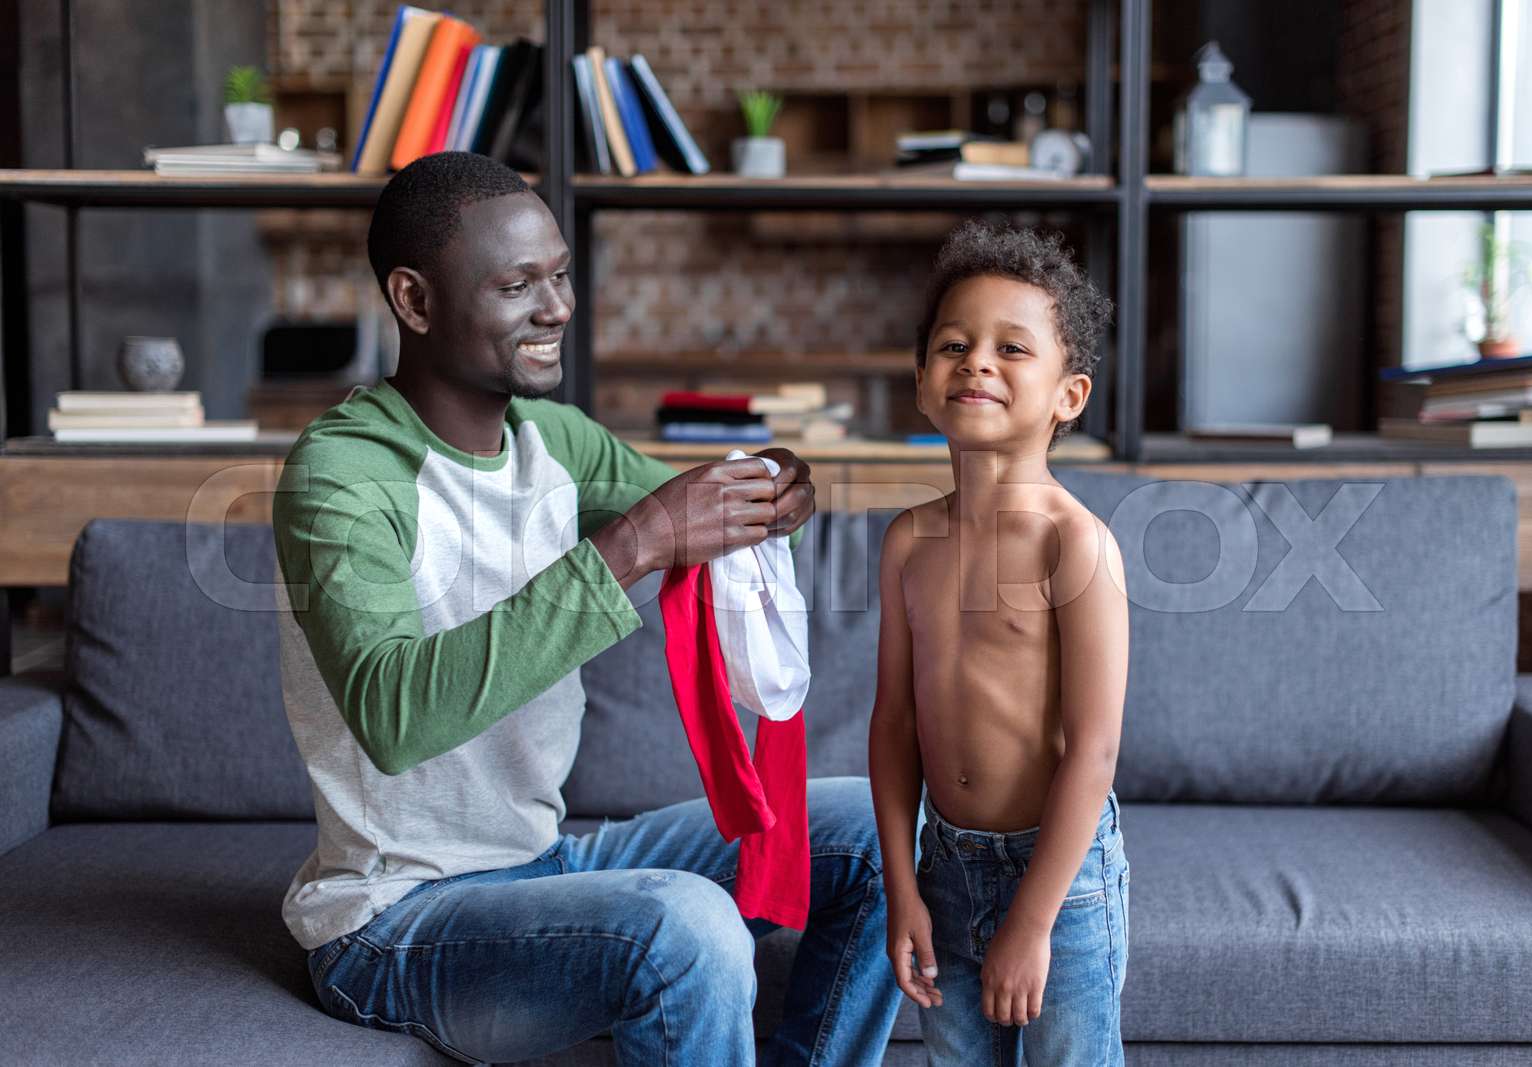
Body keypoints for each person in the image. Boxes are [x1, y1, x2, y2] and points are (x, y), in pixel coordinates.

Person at [272, 152, 899, 1066]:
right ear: (415, 301)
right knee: (687, 925)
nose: (558, 307)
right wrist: (638, 539)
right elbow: (393, 713)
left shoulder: (555, 441)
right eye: (517, 284)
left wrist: (772, 499)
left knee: (887, 831)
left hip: (544, 863)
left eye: (560, 274)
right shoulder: (344, 473)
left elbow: (708, 524)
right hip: (396, 915)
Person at [868, 221, 1131, 1066]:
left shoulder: (1074, 542)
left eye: (1012, 348)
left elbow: (1094, 749)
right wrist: (901, 887)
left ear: (1070, 396)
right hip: (944, 863)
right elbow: (894, 725)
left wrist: (1033, 920)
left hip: (1059, 878)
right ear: (921, 381)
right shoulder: (909, 541)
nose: (977, 361)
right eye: (954, 344)